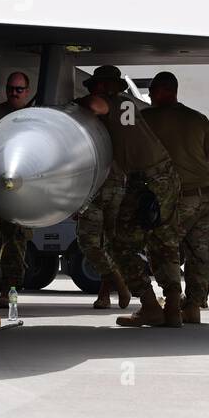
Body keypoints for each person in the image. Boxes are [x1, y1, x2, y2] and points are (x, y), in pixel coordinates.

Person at [86, 65, 184, 328]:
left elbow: (96, 104)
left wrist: (73, 105)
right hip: (165, 174)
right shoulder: (128, 103)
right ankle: (173, 307)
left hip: (145, 181)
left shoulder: (113, 102)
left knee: (121, 244)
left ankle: (150, 305)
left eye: (96, 86)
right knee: (165, 242)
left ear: (105, 87)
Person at [141, 71, 209, 324]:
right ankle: (193, 307)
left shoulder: (146, 119)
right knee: (200, 253)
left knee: (165, 249)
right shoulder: (198, 118)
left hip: (176, 198)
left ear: (161, 90)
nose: (150, 94)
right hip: (207, 195)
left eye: (152, 89)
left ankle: (173, 305)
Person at [74, 71, 130, 309]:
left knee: (112, 243)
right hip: (94, 185)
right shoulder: (89, 112)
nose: (98, 89)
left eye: (103, 85)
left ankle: (105, 292)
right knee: (89, 240)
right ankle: (118, 281)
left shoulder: (121, 107)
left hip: (116, 183)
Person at [0, 71, 35, 306]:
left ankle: (10, 290)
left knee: (16, 244)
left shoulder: (34, 117)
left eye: (19, 89)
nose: (15, 93)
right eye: (11, 89)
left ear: (27, 91)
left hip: (21, 191)